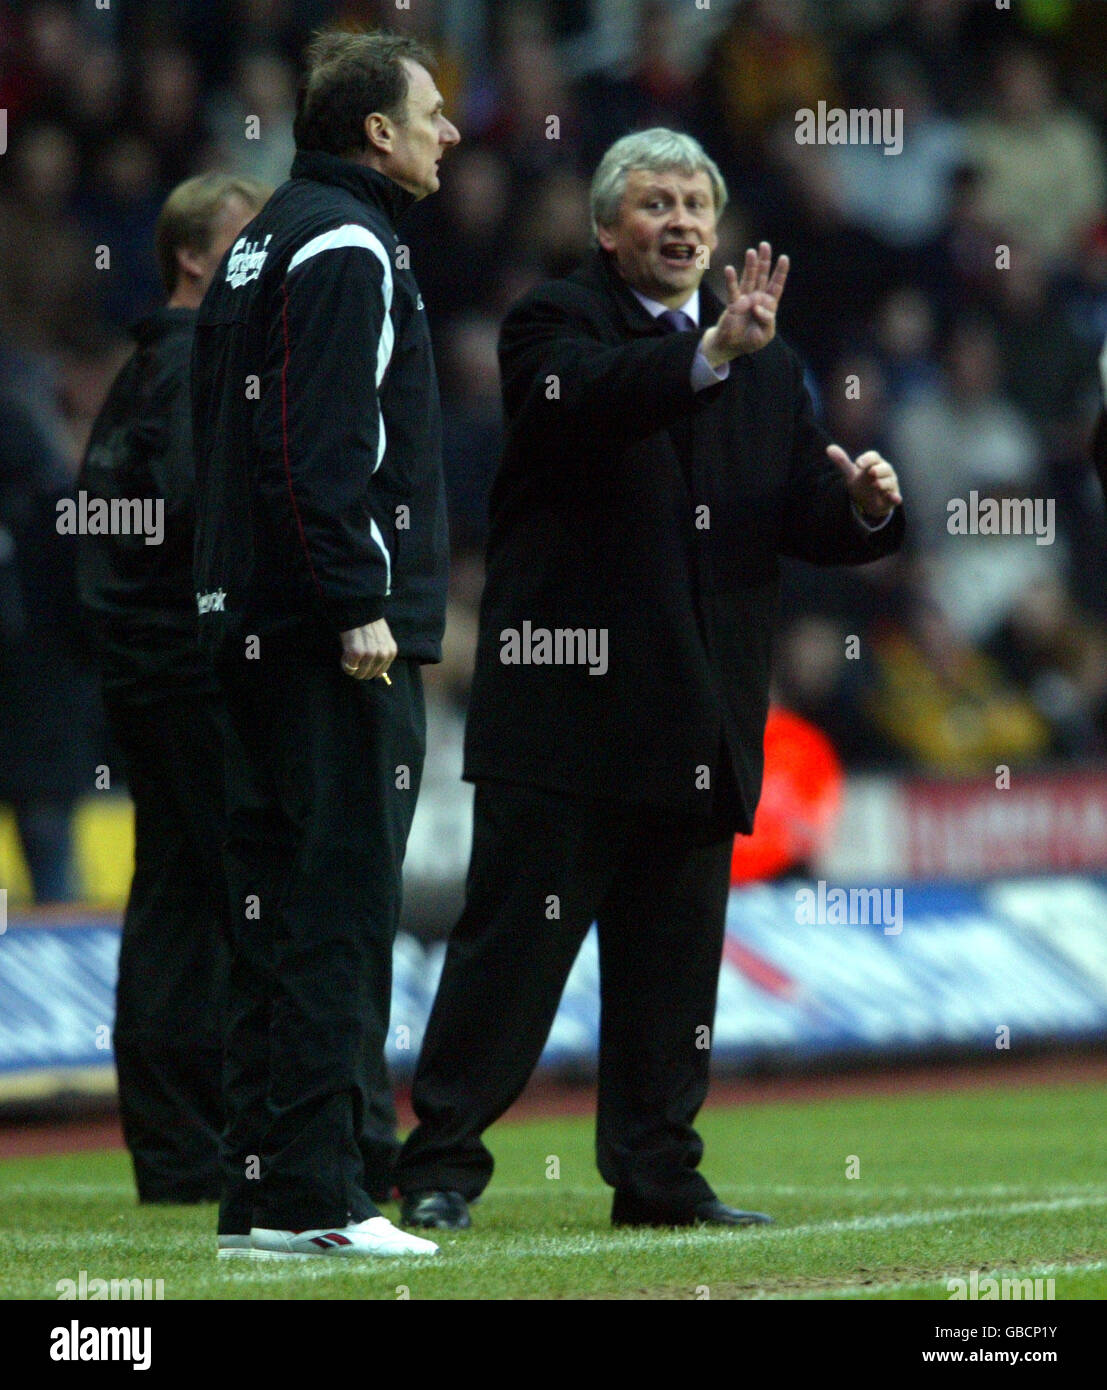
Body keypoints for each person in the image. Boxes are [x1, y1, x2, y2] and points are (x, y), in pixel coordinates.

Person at [396, 128, 904, 1232]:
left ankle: (659, 1175)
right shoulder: (554, 323)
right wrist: (708, 354)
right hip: (571, 718)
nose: (680, 222)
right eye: (657, 204)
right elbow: (586, 402)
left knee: (675, 983)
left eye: (696, 206)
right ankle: (437, 1164)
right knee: (510, 962)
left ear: (716, 232)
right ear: (606, 229)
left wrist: (864, 506)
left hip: (698, 715)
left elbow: (797, 511)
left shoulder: (766, 361)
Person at [190, 29, 459, 1260]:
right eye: (433, 114)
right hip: (327, 634)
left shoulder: (258, 242)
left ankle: (263, 1189)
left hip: (245, 620)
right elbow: (322, 443)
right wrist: (360, 597)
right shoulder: (350, 243)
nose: (450, 133)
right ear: (378, 135)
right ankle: (315, 1193)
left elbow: (243, 446)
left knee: (270, 907)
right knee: (338, 906)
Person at [76, 173, 269, 1203]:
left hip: (139, 671)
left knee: (173, 903)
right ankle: (251, 1135)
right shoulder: (200, 362)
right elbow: (212, 512)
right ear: (195, 256)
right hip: (195, 671)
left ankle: (175, 1148)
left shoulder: (136, 370)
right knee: (246, 894)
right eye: (247, 236)